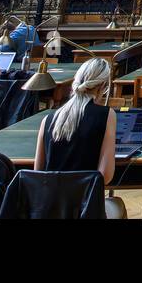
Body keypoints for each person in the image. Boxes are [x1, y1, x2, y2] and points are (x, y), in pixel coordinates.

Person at [34, 58, 124, 218]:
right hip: (85, 209)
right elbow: (105, 175)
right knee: (117, 204)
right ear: (103, 87)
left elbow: (38, 173)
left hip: (49, 210)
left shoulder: (47, 120)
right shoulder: (107, 115)